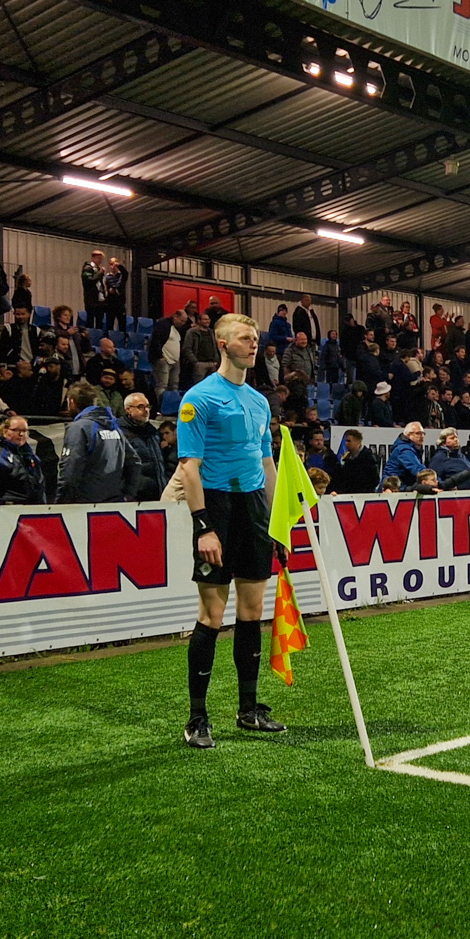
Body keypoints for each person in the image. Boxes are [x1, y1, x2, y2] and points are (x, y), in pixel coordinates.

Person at [177, 312, 284, 748]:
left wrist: (277, 522)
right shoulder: (199, 399)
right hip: (217, 508)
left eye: (255, 338)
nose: (253, 344)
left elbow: (266, 463)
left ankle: (248, 709)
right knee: (212, 616)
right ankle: (197, 718)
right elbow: (189, 468)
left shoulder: (259, 401)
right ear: (223, 345)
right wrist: (204, 527)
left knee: (253, 614)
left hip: (254, 509)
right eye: (244, 338)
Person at [58, 381, 140, 503]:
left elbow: (70, 470)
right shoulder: (114, 427)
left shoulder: (79, 428)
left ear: (71, 402)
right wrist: (128, 494)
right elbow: (134, 462)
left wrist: (61, 502)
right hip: (113, 503)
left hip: (85, 505)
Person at [0, 416, 49, 505]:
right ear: (5, 431)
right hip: (4, 512)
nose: (21, 434)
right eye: (16, 430)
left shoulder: (30, 456)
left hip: (29, 512)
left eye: (25, 431)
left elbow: (40, 488)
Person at [120, 393, 167, 500]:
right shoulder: (120, 433)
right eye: (141, 407)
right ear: (128, 409)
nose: (146, 410)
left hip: (159, 495)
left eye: (148, 406)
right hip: (134, 498)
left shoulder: (153, 432)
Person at [333, 429, 382, 494]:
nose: (346, 444)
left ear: (358, 442)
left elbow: (374, 480)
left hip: (363, 495)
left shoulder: (368, 457)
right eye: (346, 441)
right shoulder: (347, 458)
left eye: (349, 441)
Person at [383, 421, 429, 488]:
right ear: (408, 435)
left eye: (423, 433)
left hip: (398, 486)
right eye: (418, 433)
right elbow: (417, 469)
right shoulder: (404, 450)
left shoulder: (413, 449)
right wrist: (435, 481)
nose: (421, 436)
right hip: (392, 488)